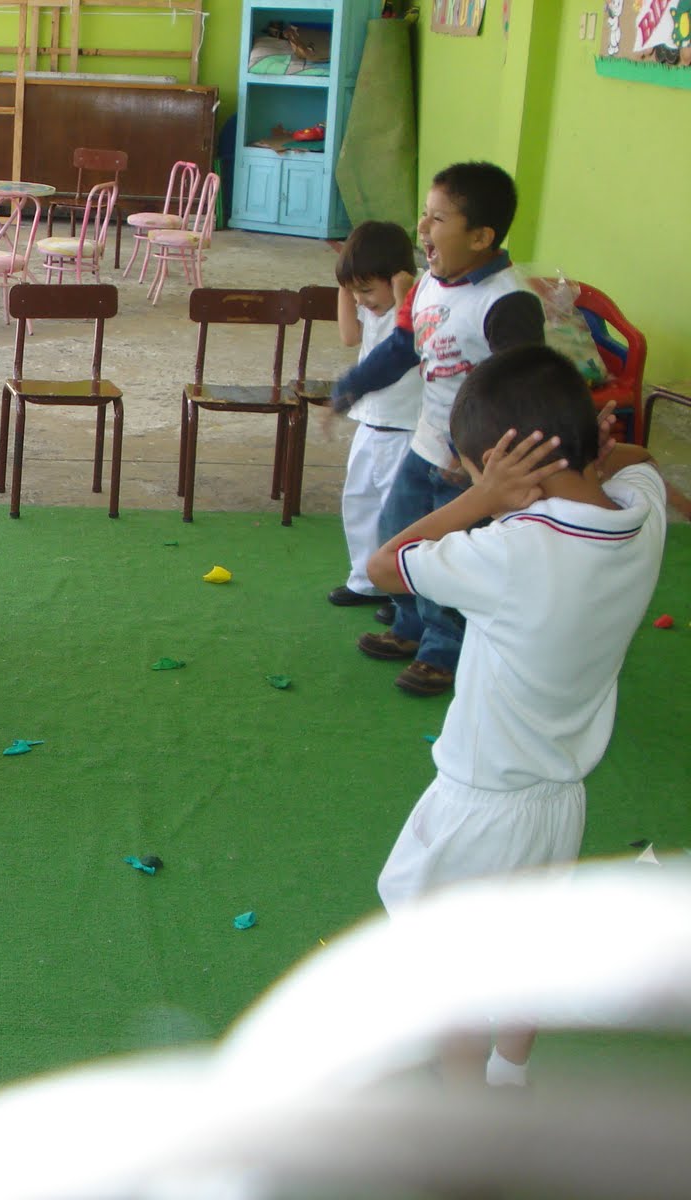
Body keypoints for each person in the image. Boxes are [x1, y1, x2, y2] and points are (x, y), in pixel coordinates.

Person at [366, 344, 669, 1086]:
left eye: (473, 472)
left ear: (506, 468)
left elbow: (385, 565)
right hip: (560, 795)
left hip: (483, 798)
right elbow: (640, 461)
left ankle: (468, 1120)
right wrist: (595, 449)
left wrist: (481, 502)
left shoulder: (509, 547)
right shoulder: (642, 517)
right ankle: (510, 1073)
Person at [332, 162, 546, 697]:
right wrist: (355, 382)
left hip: (474, 462)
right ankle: (410, 623)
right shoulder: (429, 284)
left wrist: (481, 453)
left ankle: (443, 649)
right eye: (424, 217)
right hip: (427, 443)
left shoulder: (506, 302)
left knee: (451, 551)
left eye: (438, 219)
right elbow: (404, 346)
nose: (422, 231)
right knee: (399, 532)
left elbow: (521, 385)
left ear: (480, 236)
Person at [326, 221, 421, 620]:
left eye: (368, 290)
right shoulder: (370, 308)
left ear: (398, 277)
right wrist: (345, 287)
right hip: (371, 424)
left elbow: (411, 337)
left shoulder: (412, 307)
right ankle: (366, 581)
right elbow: (349, 336)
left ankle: (402, 595)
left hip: (407, 429)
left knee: (398, 514)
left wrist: (403, 291)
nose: (363, 300)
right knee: (359, 501)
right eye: (356, 292)